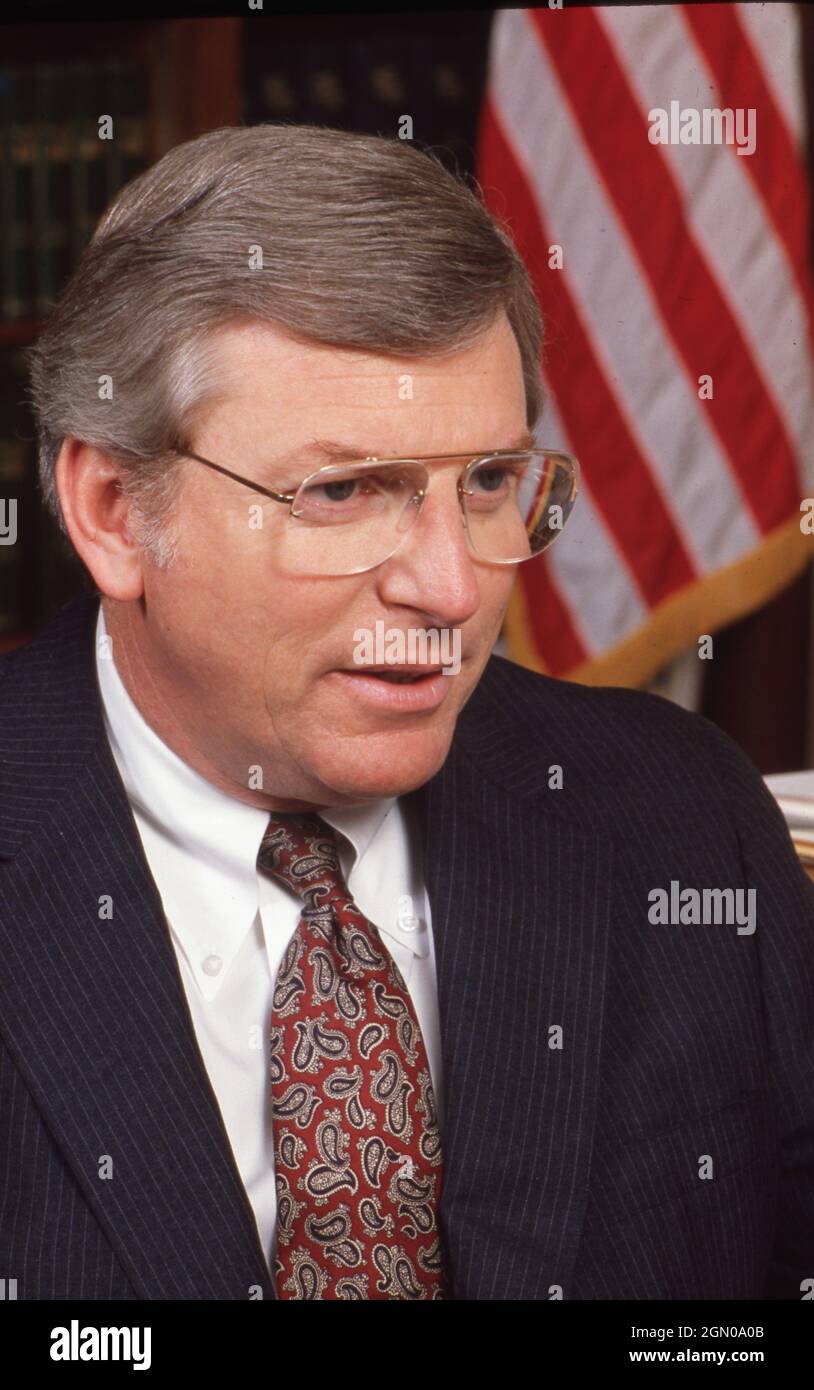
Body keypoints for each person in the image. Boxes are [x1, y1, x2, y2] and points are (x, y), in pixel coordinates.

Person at [1, 124, 812, 1301]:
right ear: (117, 510)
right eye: (342, 491)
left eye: (486, 481)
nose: (449, 586)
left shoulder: (680, 810)